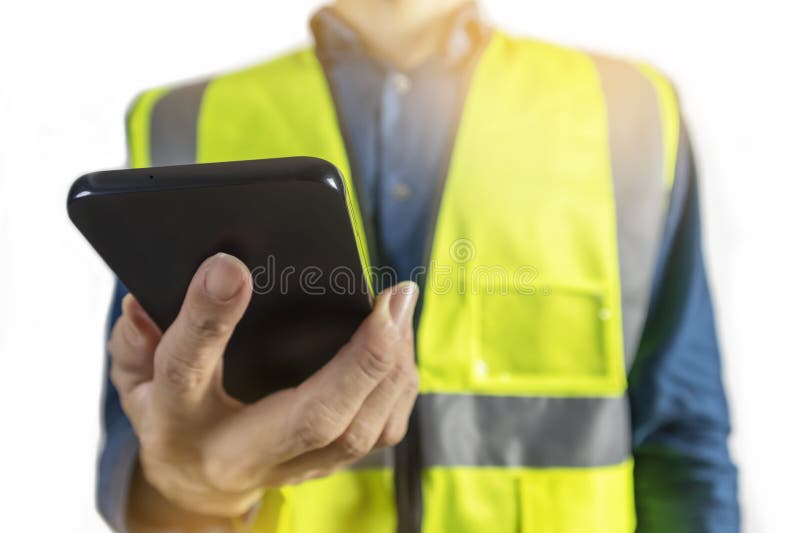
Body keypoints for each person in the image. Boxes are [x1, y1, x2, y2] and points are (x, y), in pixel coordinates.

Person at [99, 0, 739, 531]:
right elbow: (139, 454)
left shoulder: (628, 111)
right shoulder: (180, 123)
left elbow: (683, 441)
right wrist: (194, 493)